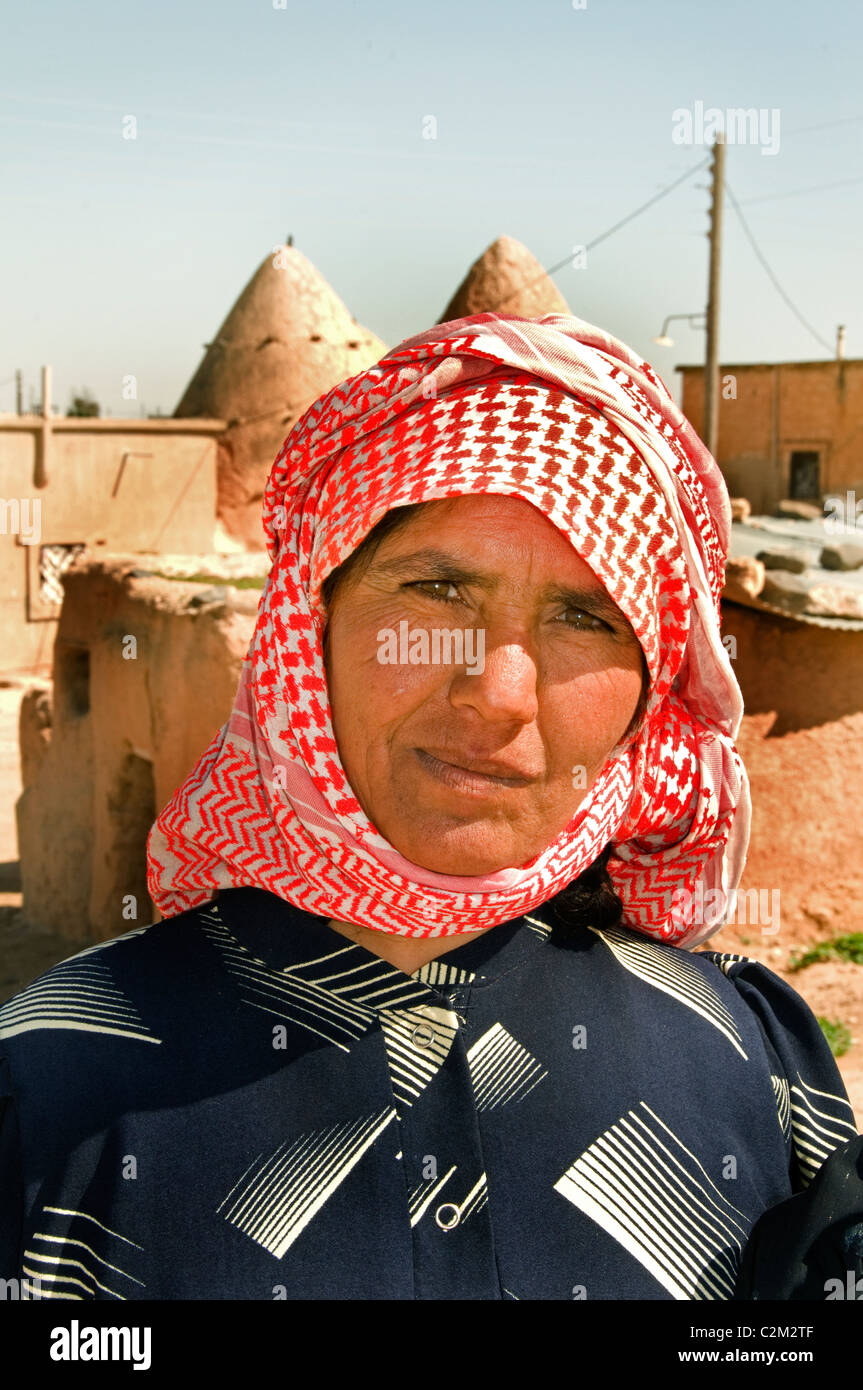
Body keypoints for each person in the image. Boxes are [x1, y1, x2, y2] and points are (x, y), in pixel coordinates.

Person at [0, 311, 859, 1301]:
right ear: (306, 626)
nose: (497, 689)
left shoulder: (745, 1060)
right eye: (437, 588)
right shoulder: (59, 1075)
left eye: (583, 617)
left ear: (648, 690)